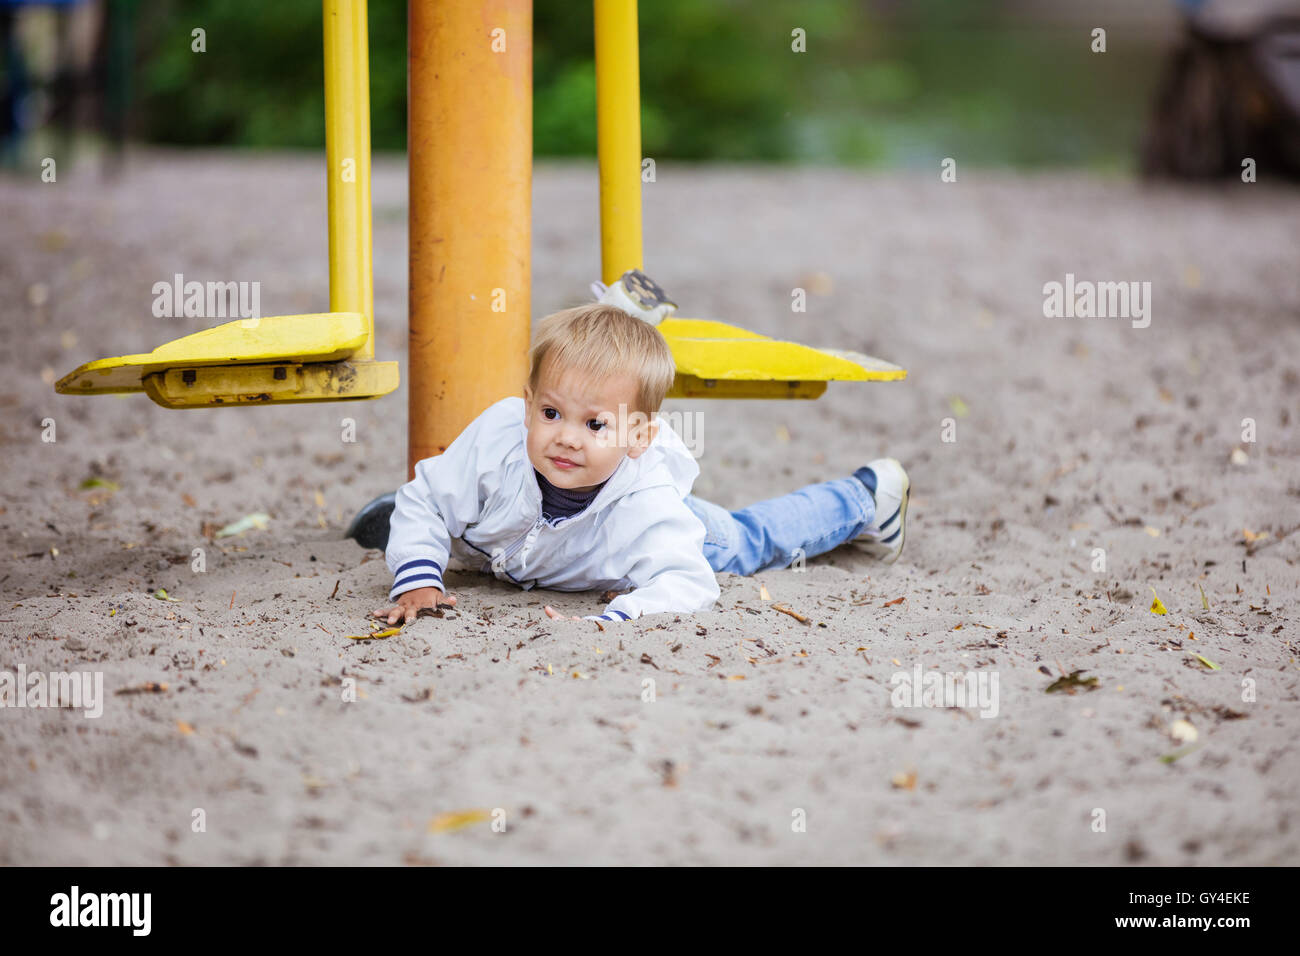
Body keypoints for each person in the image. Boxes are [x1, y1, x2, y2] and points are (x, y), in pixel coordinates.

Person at [369, 302, 909, 626]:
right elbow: (425, 498)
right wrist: (418, 578)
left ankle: (865, 500)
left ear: (637, 435)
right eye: (551, 412)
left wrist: (624, 612)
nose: (566, 438)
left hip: (652, 531)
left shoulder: (648, 508)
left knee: (749, 540)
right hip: (540, 550)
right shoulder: (498, 440)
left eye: (595, 424)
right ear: (528, 402)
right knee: (438, 511)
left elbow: (689, 581)